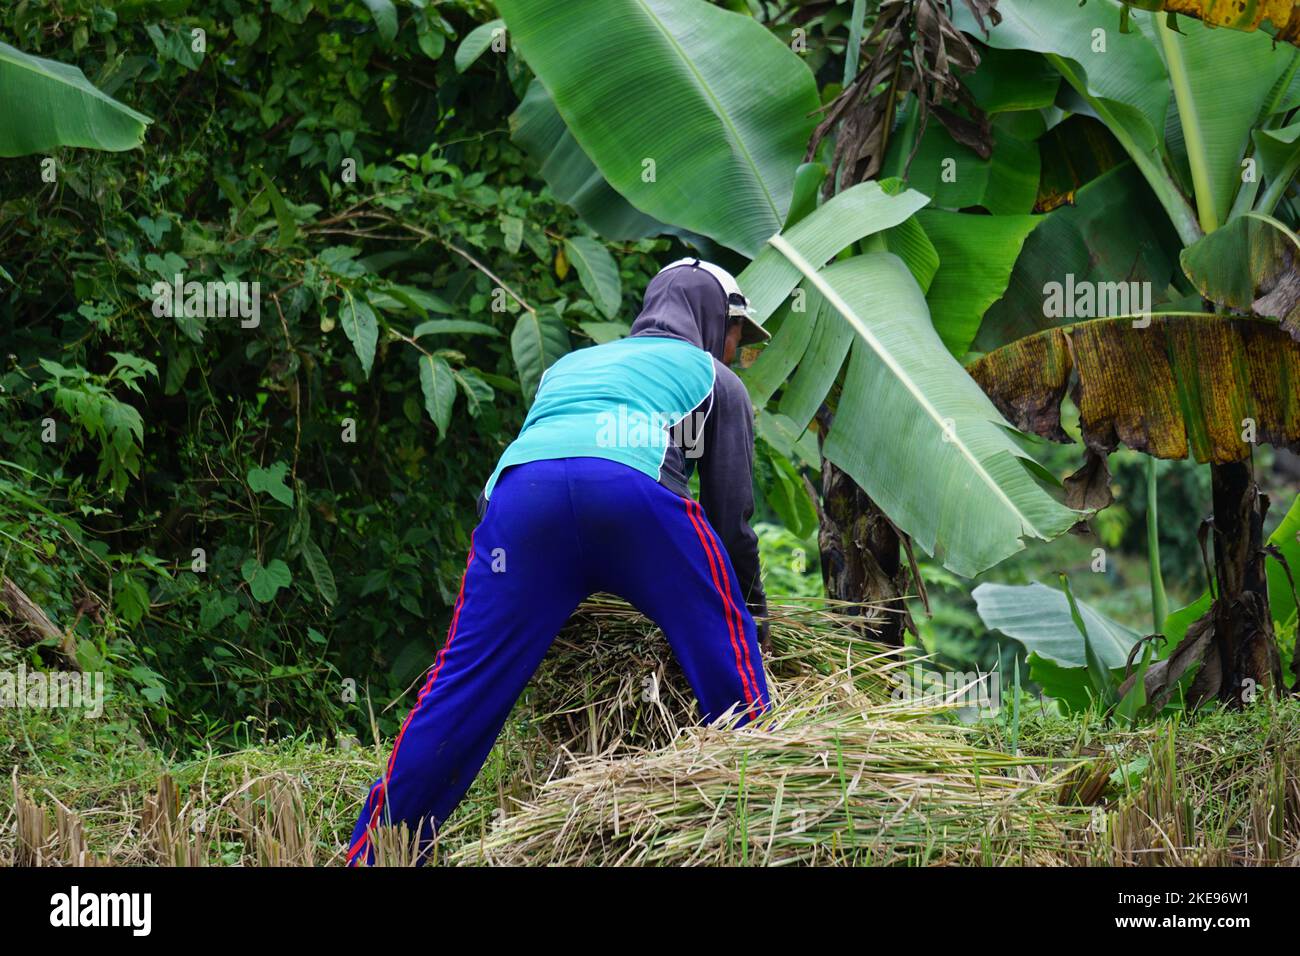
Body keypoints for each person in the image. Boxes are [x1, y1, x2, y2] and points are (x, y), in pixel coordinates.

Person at [346, 258, 772, 865]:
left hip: (520, 506)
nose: (736, 351)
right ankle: (773, 816)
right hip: (632, 497)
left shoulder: (568, 364)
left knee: (461, 688)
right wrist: (755, 620)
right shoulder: (712, 377)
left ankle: (375, 852)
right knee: (726, 655)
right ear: (714, 320)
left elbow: (541, 461)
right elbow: (730, 522)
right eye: (739, 336)